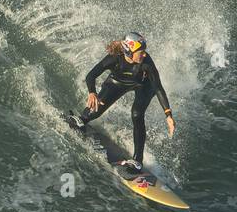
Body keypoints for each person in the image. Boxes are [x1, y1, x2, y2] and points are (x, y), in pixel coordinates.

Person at [67, 32, 175, 172]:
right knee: (96, 110)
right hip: (118, 81)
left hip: (143, 85)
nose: (144, 55)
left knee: (136, 114)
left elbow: (158, 88)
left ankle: (137, 161)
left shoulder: (146, 64)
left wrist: (168, 114)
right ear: (129, 52)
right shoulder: (114, 59)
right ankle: (82, 119)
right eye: (141, 52)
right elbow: (91, 75)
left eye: (144, 51)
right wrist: (92, 92)